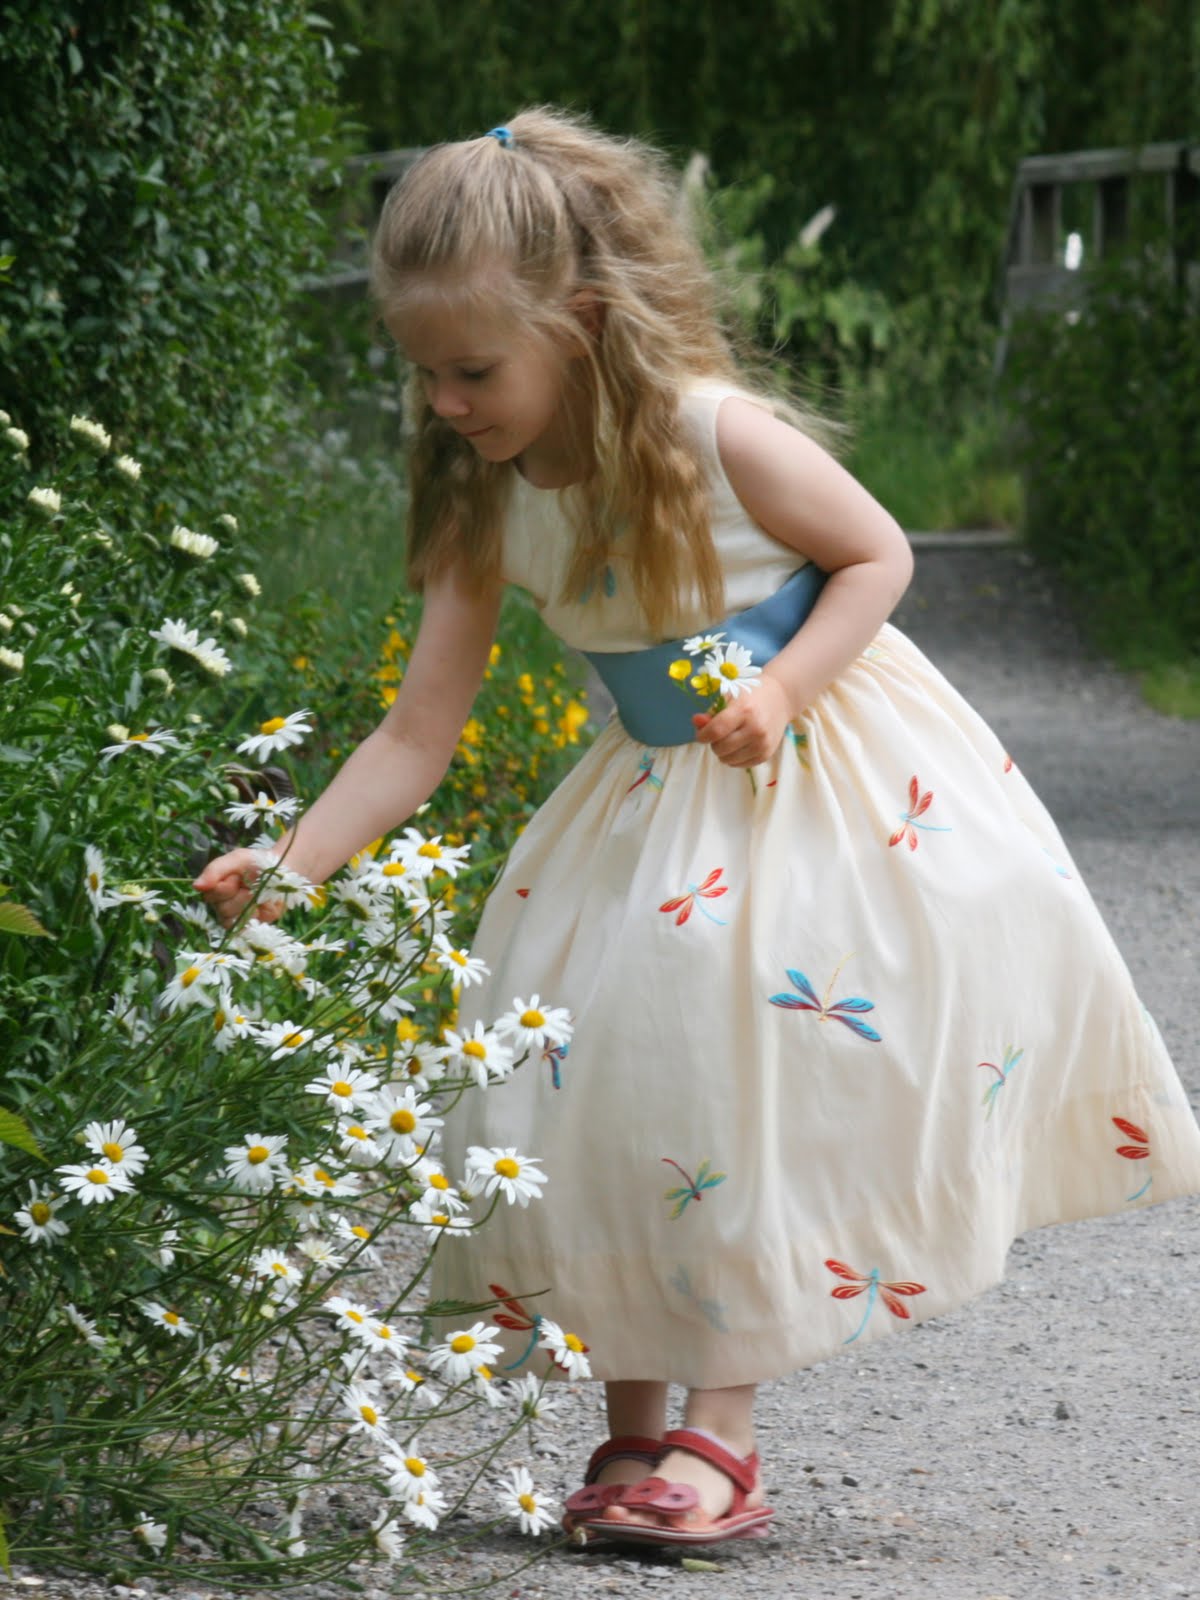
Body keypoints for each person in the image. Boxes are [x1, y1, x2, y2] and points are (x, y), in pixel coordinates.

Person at [194, 107, 1200, 1550]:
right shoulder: (485, 496)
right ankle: (629, 1425)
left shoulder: (714, 435)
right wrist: (291, 867)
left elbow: (879, 555)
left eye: (473, 370)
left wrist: (781, 688)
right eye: (423, 374)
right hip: (652, 796)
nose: (447, 402)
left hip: (819, 772)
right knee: (588, 1062)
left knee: (741, 1062)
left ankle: (722, 1433)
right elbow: (422, 730)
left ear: (584, 323)